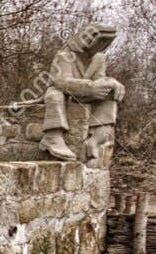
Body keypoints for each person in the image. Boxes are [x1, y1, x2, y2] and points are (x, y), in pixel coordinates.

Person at [40, 22, 122, 165]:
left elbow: (99, 78)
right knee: (54, 95)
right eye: (101, 40)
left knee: (108, 96)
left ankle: (96, 140)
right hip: (65, 93)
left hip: (83, 96)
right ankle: (53, 136)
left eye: (106, 42)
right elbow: (60, 81)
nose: (102, 45)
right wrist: (88, 87)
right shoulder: (64, 55)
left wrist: (110, 83)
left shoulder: (99, 58)